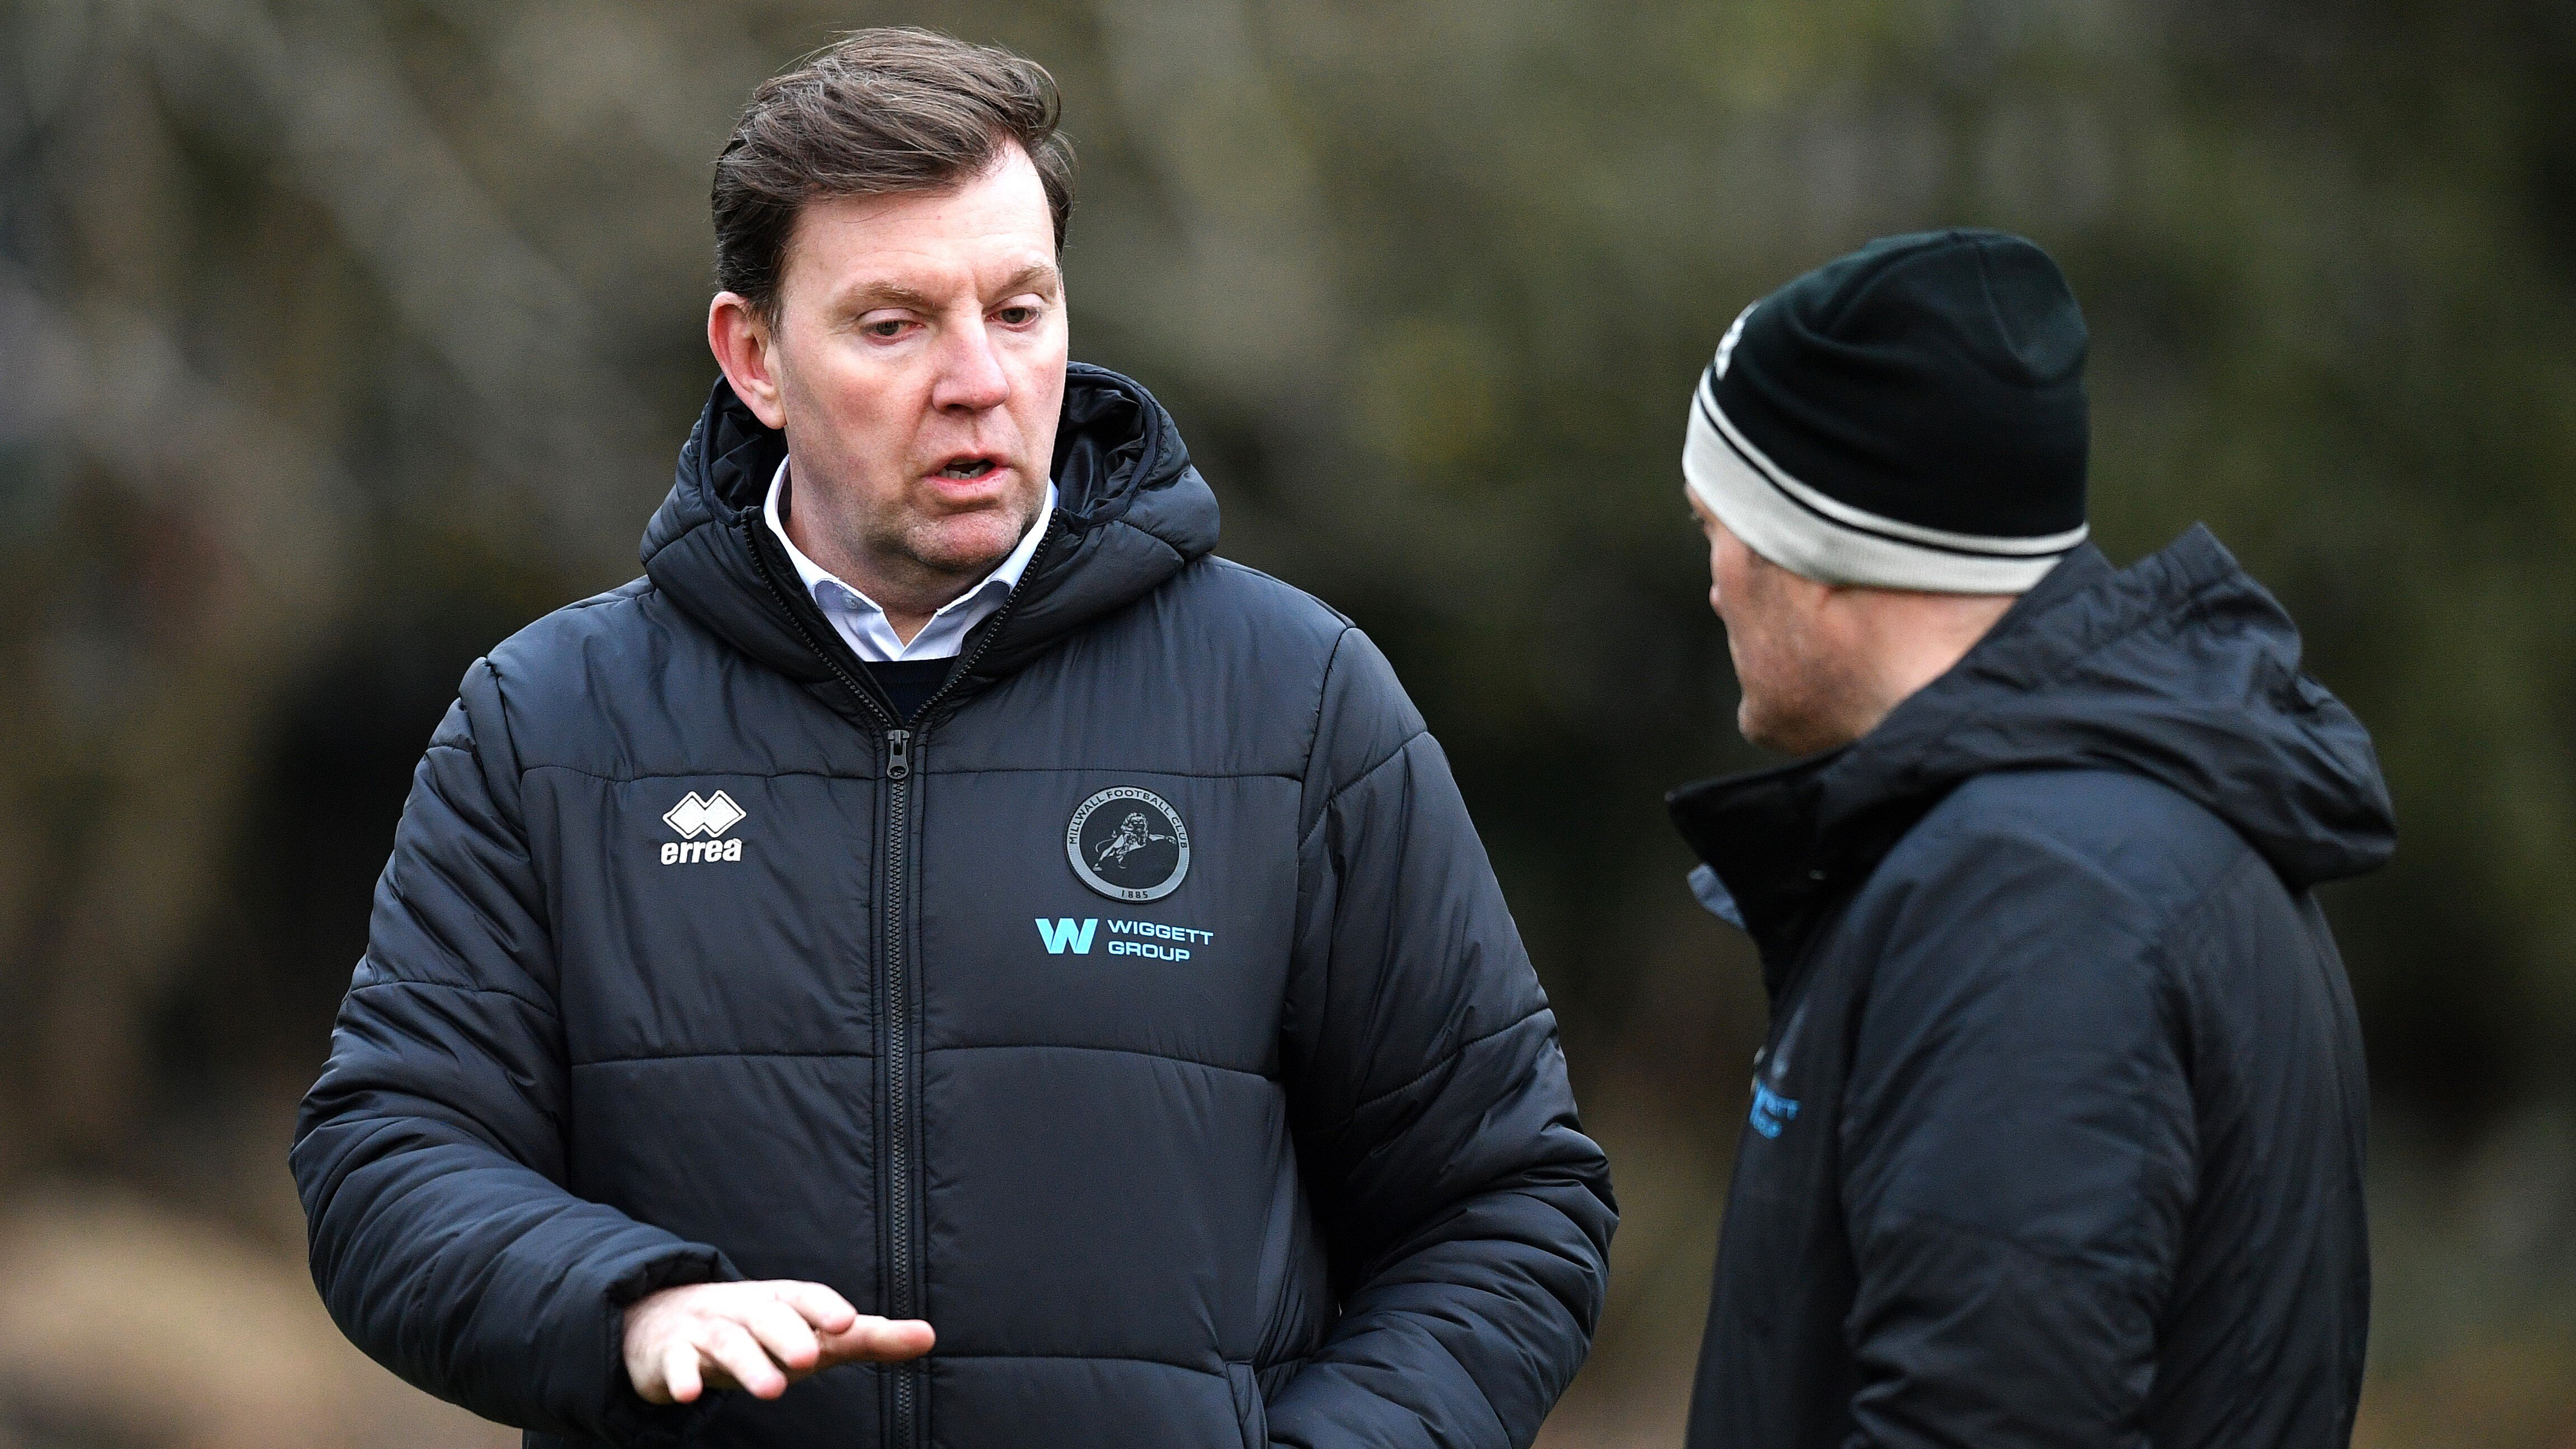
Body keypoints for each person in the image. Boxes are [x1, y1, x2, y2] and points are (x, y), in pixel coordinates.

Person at [291, 30, 1613, 1449]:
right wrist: (627, 1304)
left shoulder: (1297, 703)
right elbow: (388, 1159)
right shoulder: (547, 723)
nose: (979, 378)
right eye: (894, 323)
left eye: (1021, 307)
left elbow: (1507, 1208)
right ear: (756, 357)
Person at [1668, 229, 2391, 1448]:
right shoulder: (2091, 841)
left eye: (1717, 525)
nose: (1715, 581)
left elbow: (1986, 1420)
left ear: (1826, 550)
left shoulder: (2036, 898)